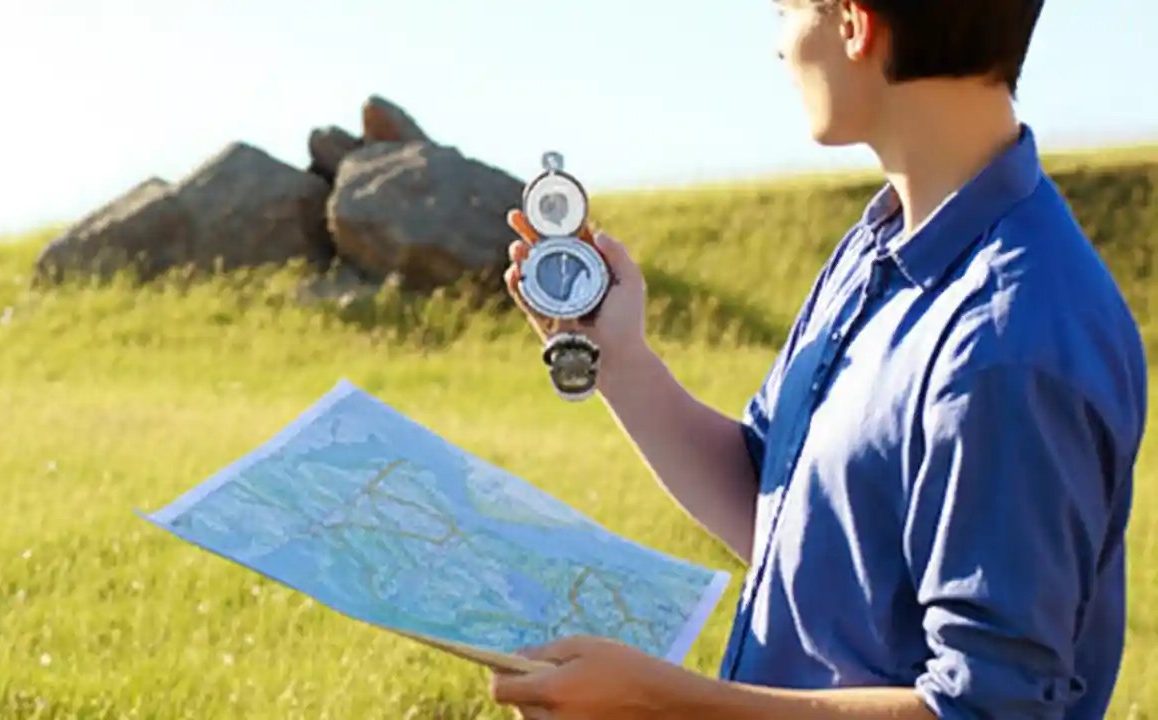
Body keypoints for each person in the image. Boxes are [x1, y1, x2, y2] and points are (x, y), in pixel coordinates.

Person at [491, 0, 1149, 718]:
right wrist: (619, 358)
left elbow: (988, 708)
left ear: (853, 23)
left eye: (784, 10)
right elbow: (784, 519)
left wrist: (659, 703)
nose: (780, 47)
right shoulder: (880, 246)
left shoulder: (1008, 341)